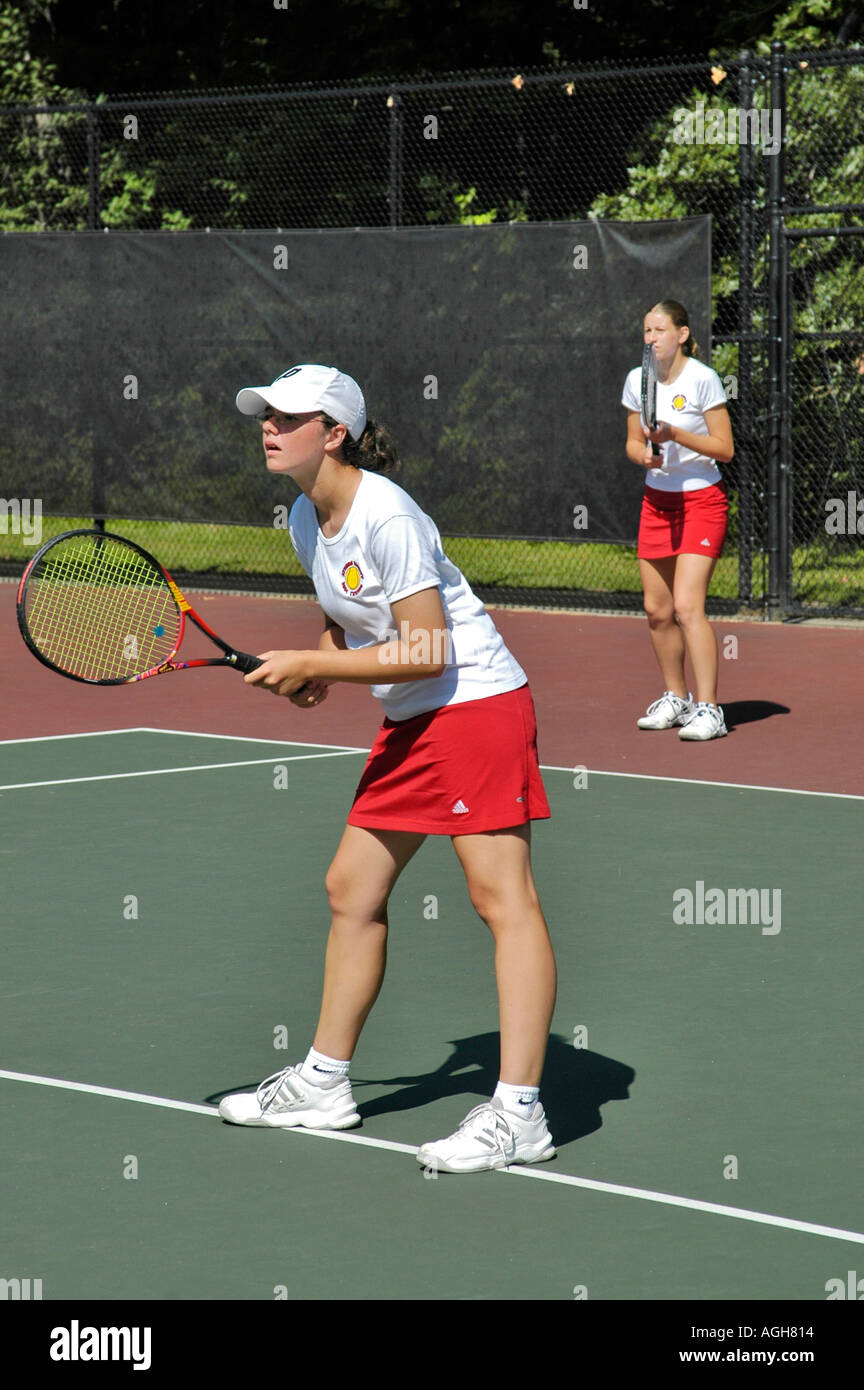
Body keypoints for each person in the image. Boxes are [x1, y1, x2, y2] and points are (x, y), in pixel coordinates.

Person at [217, 363, 558, 1174]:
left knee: (499, 897)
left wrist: (315, 662)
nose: (268, 426)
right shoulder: (306, 518)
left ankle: (521, 1114)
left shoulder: (387, 514)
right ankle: (326, 1085)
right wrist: (314, 669)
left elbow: (429, 645)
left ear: (334, 433)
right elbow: (357, 628)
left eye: (288, 416)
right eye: (264, 414)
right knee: (351, 888)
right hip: (416, 717)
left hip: (474, 704)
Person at [622, 300, 735, 741]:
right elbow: (632, 443)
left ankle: (710, 711)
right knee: (657, 610)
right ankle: (677, 698)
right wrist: (645, 456)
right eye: (646, 331)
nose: (651, 338)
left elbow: (724, 448)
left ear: (682, 334)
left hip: (702, 501)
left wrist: (675, 434)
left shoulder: (703, 379)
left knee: (688, 607)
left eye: (659, 330)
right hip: (657, 502)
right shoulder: (638, 379)